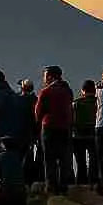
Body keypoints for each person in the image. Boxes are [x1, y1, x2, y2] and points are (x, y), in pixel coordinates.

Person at [34, 65, 75, 195]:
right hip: (65, 127)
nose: (44, 79)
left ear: (50, 76)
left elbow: (38, 112)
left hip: (49, 127)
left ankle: (51, 187)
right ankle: (63, 186)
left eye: (45, 76)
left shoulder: (46, 92)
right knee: (64, 158)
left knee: (49, 158)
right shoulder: (68, 91)